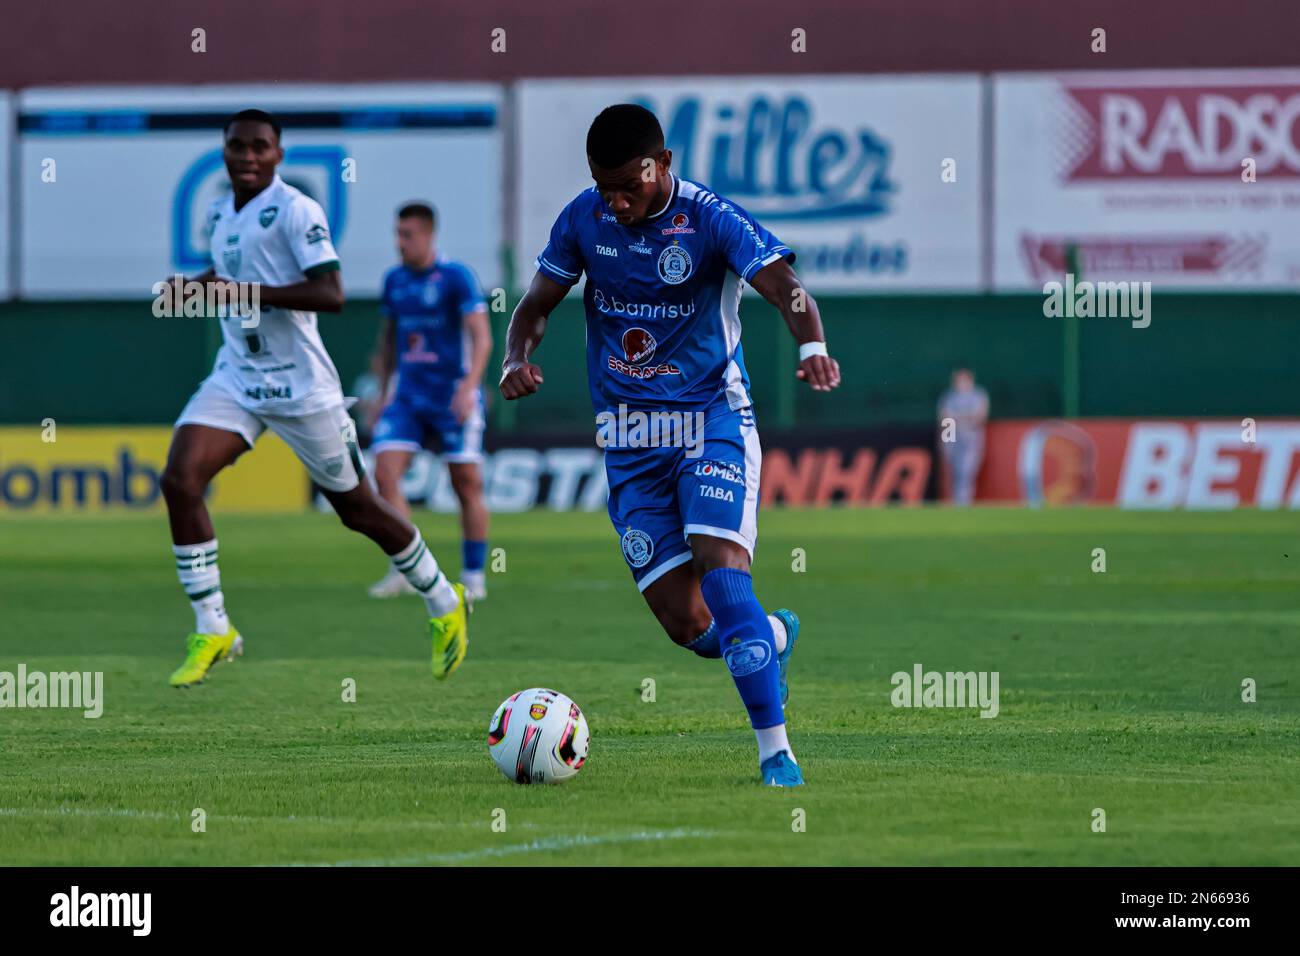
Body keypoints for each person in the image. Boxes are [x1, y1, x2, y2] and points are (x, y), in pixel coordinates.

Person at [500, 104, 841, 787]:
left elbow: (785, 286)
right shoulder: (583, 221)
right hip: (630, 442)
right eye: (606, 189)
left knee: (721, 564)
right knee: (687, 624)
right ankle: (769, 637)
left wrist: (813, 344)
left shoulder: (711, 219)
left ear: (666, 164)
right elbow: (535, 306)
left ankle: (776, 752)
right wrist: (515, 358)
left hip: (711, 418)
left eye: (631, 184)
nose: (619, 202)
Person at [160, 110, 469, 688]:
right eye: (237, 147)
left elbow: (330, 292)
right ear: (224, 153)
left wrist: (247, 292)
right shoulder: (219, 212)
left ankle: (441, 596)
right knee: (179, 480)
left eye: (259, 147)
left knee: (358, 510)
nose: (247, 157)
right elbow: (227, 271)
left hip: (302, 388)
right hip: (237, 377)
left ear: (278, 155)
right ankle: (213, 626)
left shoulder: (297, 209)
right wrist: (187, 291)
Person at [365, 203, 492, 601]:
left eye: (408, 235)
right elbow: (387, 342)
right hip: (407, 396)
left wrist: (469, 387)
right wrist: (380, 391)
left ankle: (473, 577)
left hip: (451, 394)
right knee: (385, 474)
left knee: (465, 484)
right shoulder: (395, 281)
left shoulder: (456, 278)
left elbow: (482, 337)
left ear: (429, 235)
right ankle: (406, 568)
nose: (400, 243)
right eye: (397, 234)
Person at [937, 367, 989, 506]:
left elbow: (979, 417)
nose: (961, 382)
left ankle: (963, 504)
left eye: (964, 379)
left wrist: (958, 418)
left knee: (967, 471)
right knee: (954, 472)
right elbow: (945, 419)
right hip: (953, 436)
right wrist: (945, 442)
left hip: (971, 438)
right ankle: (957, 502)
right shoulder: (949, 396)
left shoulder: (978, 395)